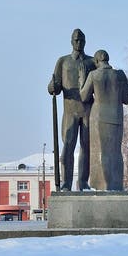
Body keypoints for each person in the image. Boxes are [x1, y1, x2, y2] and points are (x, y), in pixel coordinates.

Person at [48, 29, 95, 190]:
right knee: (68, 146)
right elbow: (55, 84)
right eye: (76, 40)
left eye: (81, 40)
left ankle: (82, 182)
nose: (78, 43)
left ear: (85, 41)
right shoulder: (63, 61)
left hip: (88, 110)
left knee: (86, 146)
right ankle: (66, 182)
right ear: (71, 41)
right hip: (70, 111)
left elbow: (98, 85)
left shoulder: (92, 62)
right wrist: (52, 87)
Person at [79, 49, 128, 191]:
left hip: (98, 118)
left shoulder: (94, 75)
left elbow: (84, 96)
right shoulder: (120, 75)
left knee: (100, 152)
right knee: (115, 152)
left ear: (96, 62)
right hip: (116, 117)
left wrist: (81, 79)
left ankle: (100, 186)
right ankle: (116, 185)